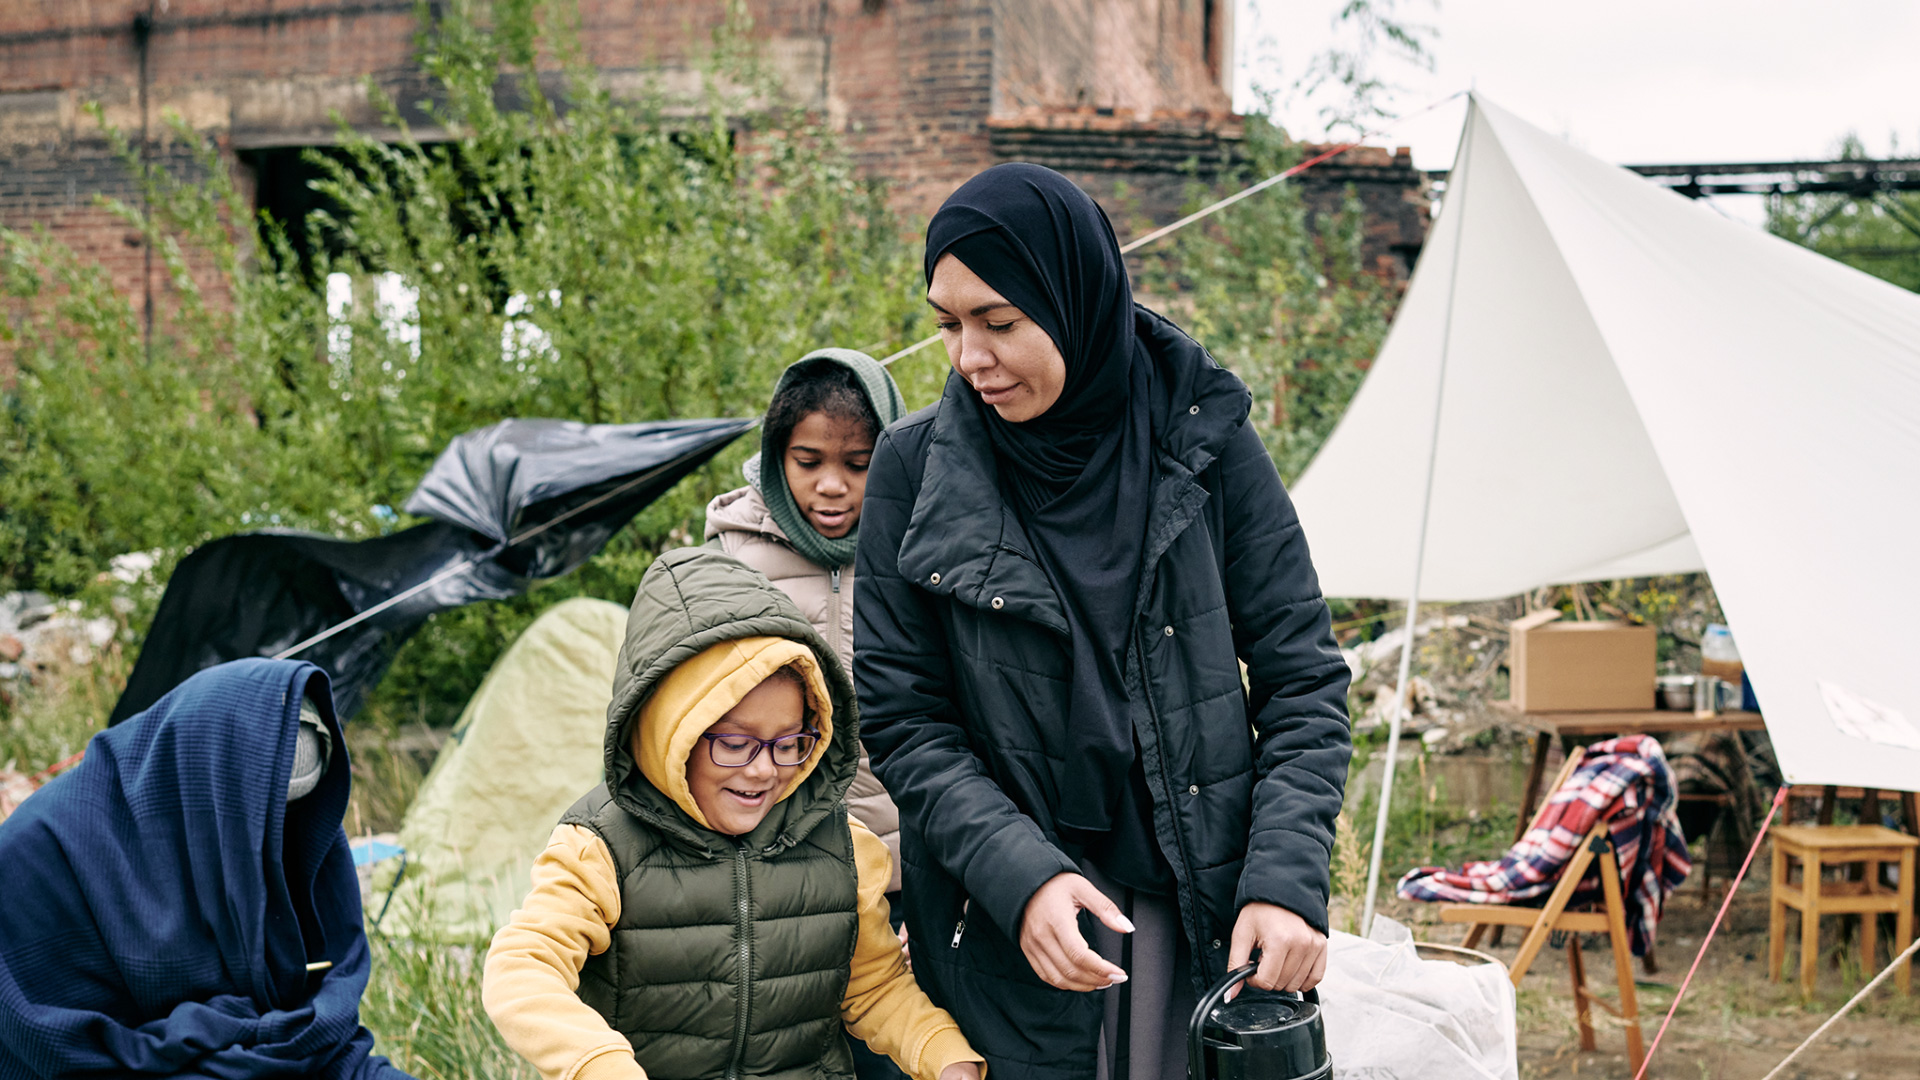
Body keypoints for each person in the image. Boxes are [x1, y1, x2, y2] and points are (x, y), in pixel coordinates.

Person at [853, 163, 1353, 1080]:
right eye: (948, 324)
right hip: (1006, 924)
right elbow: (904, 720)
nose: (969, 358)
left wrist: (1284, 884)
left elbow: (1304, 680)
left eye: (1000, 322)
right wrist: (1021, 877)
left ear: (1077, 298)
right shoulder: (913, 470)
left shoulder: (1205, 440)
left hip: (1198, 911)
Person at [482, 548, 983, 1080]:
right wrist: (598, 1063)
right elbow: (522, 970)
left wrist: (943, 1055)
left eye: (789, 742)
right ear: (671, 731)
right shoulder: (599, 847)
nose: (764, 770)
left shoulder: (843, 846)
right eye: (736, 743)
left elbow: (874, 987)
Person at [0, 658, 414, 1080]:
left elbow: (322, 1047)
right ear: (205, 788)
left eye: (292, 815)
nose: (279, 840)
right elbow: (52, 1052)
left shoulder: (286, 845)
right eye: (262, 818)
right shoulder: (38, 863)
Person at [705, 348, 907, 891]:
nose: (833, 484)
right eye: (809, 461)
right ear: (776, 455)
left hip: (903, 859)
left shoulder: (922, 544)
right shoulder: (732, 552)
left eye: (859, 464)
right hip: (773, 858)